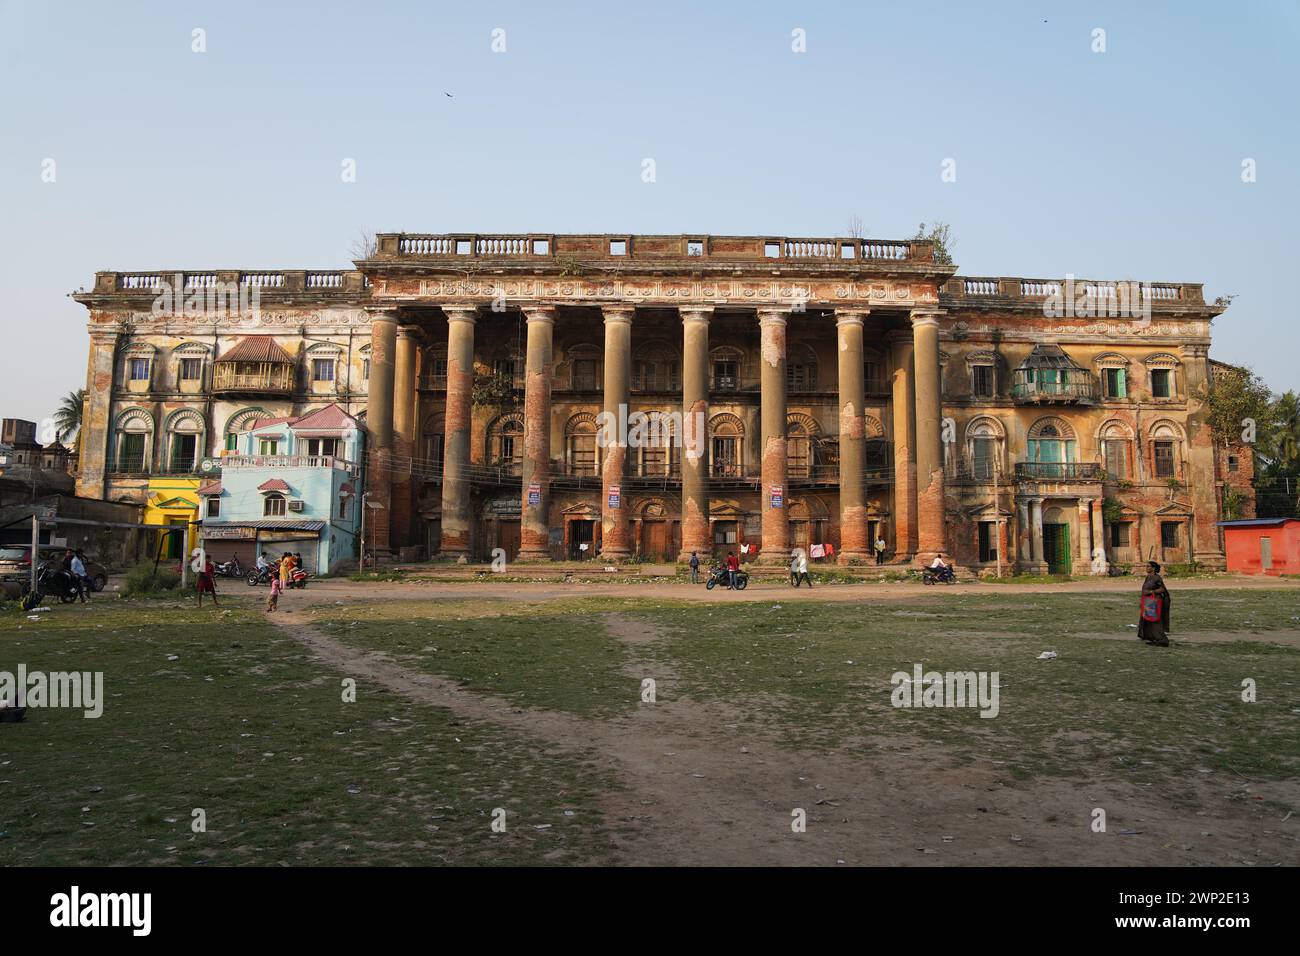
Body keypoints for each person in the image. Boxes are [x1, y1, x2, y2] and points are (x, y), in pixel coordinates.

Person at [1138, 560, 1171, 647]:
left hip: (1155, 602)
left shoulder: (1157, 578)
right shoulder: (1148, 577)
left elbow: (1163, 589)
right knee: (1148, 619)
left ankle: (1162, 639)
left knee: (1155, 621)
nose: (1146, 568)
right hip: (1148, 602)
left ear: (1153, 568)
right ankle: (1152, 637)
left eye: (1148, 566)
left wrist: (1151, 591)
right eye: (1146, 566)